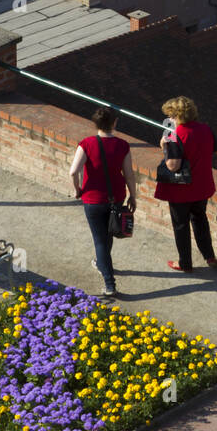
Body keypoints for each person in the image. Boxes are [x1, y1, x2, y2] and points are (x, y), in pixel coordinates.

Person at [155, 96, 217, 273]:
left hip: (181, 189)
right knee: (200, 219)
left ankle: (185, 263)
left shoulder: (174, 136)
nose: (170, 120)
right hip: (202, 187)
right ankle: (210, 256)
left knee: (181, 225)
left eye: (171, 116)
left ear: (177, 116)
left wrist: (165, 146)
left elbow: (172, 165)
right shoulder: (205, 129)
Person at [69, 107, 136, 300]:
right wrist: (133, 196)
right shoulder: (123, 145)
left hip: (92, 199)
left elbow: (73, 171)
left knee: (100, 239)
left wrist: (77, 189)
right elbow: (129, 174)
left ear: (95, 124)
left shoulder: (86, 143)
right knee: (108, 235)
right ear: (114, 123)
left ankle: (109, 282)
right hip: (116, 196)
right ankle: (103, 265)